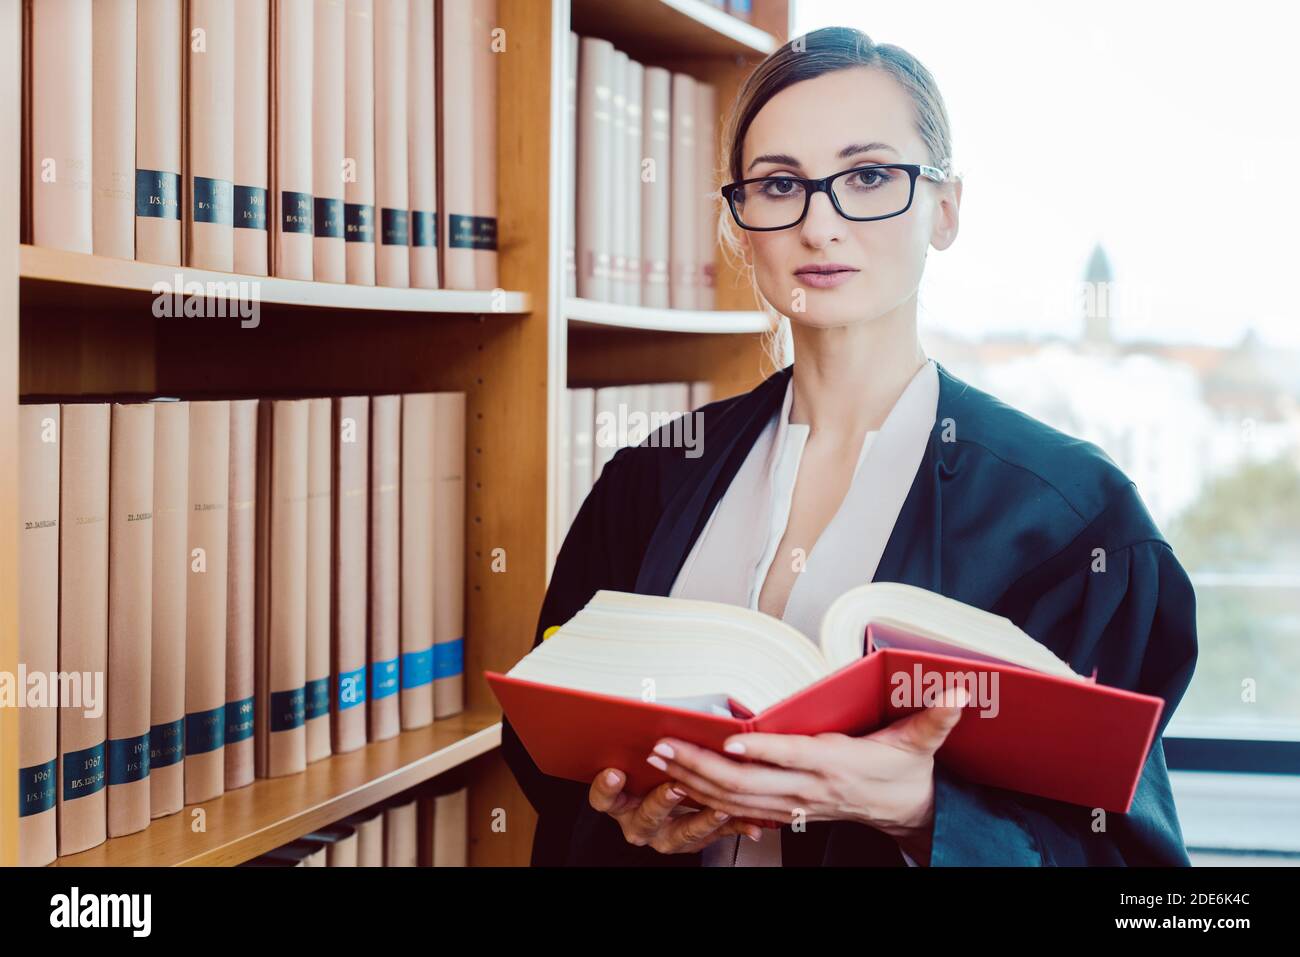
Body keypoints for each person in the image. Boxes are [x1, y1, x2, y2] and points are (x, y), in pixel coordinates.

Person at [501, 25, 1198, 866]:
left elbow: (1136, 874)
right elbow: (548, 739)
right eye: (779, 183)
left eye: (869, 176)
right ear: (740, 221)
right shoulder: (649, 478)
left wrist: (921, 813)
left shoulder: (1075, 520)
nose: (819, 223)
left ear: (946, 210)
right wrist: (620, 811)